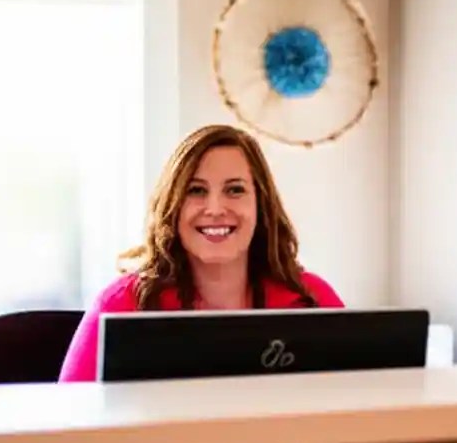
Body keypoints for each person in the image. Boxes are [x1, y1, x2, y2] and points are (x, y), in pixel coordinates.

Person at [58, 123, 344, 382]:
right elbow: (71, 418)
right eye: (196, 190)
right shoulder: (122, 306)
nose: (215, 209)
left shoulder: (313, 301)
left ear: (261, 205)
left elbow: (356, 408)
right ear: (173, 206)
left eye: (235, 190)